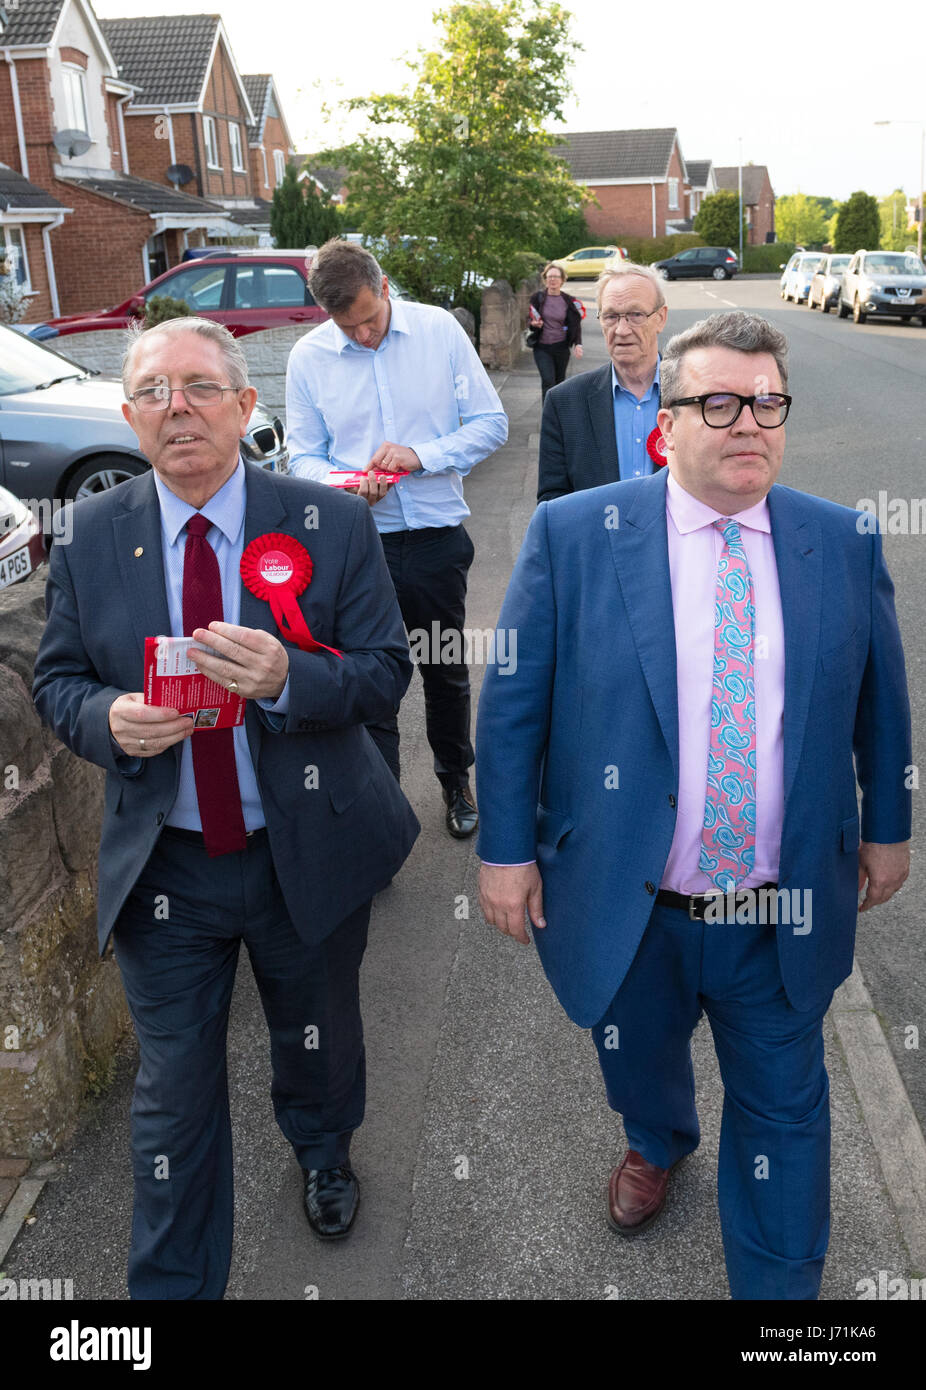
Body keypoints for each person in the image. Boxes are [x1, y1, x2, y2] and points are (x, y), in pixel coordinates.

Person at [476, 311, 911, 1300]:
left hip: (775, 904)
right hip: (628, 904)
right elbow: (511, 709)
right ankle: (655, 1138)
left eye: (766, 402)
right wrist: (504, 851)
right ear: (663, 426)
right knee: (638, 1060)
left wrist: (887, 829)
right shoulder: (574, 535)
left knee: (784, 1113)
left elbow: (880, 705)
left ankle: (779, 1300)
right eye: (716, 401)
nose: (746, 421)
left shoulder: (836, 540)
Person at [32, 317, 420, 1299]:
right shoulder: (91, 537)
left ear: (247, 407)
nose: (178, 409)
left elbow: (381, 676)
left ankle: (324, 1147)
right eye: (155, 392)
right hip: (168, 865)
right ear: (128, 415)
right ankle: (168, 1297)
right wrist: (107, 719)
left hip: (303, 849)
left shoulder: (328, 524)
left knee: (316, 1034)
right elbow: (56, 683)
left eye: (201, 386)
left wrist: (292, 674)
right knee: (171, 1097)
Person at [285, 238, 508, 839]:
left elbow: (492, 424)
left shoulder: (438, 332)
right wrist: (347, 482)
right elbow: (300, 457)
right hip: (357, 547)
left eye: (368, 320)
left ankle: (455, 781)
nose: (359, 335)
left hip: (435, 538)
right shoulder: (308, 358)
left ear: (385, 288)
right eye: (345, 325)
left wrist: (420, 456)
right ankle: (379, 807)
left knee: (443, 669)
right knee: (368, 678)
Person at [537, 262, 668, 502]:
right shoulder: (564, 403)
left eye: (635, 315)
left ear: (661, 318)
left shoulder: (697, 394)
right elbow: (553, 503)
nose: (621, 330)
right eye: (610, 316)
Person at [527, 262, 584, 403]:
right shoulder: (537, 298)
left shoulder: (569, 301)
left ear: (562, 280)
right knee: (548, 381)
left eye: (556, 277)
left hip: (561, 348)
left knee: (559, 384)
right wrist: (534, 324)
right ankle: (548, 420)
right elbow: (530, 319)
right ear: (545, 279)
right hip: (542, 347)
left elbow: (575, 324)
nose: (552, 279)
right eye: (549, 276)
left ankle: (557, 416)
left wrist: (578, 344)